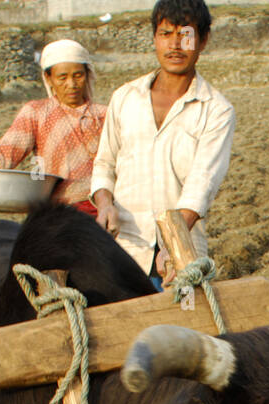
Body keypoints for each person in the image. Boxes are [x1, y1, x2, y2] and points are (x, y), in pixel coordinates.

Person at [91, 0, 235, 290]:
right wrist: (105, 204)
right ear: (155, 38)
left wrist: (172, 244)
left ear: (203, 40)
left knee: (178, 332)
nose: (175, 45)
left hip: (179, 254)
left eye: (186, 35)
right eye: (166, 34)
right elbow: (105, 163)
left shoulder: (216, 109)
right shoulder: (125, 98)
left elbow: (200, 185)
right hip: (125, 247)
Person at [0, 39, 106, 216]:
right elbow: (2, 157)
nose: (72, 84)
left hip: (104, 209)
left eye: (78, 75)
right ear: (48, 78)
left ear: (88, 74)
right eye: (62, 77)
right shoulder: (37, 113)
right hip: (57, 213)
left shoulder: (105, 115)